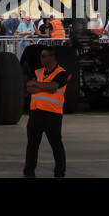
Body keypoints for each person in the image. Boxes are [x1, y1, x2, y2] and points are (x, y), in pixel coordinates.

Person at [23, 46, 71, 178]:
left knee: (56, 145)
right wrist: (44, 87)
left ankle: (59, 173)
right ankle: (29, 172)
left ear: (52, 57)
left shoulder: (62, 73)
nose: (41, 58)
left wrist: (38, 85)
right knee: (32, 145)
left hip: (52, 114)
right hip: (35, 113)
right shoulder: (38, 72)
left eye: (44, 56)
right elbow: (29, 87)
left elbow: (53, 87)